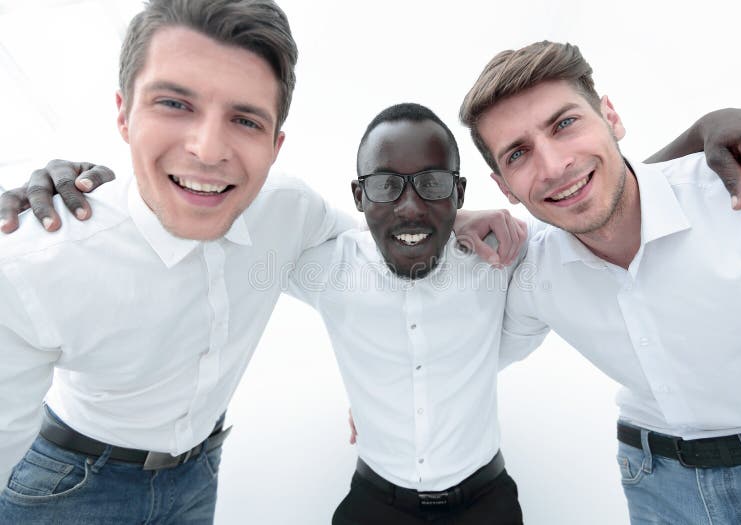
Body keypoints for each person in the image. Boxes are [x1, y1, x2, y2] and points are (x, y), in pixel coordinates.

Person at [0, 2, 523, 522]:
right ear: (123, 113)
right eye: (174, 104)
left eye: (244, 119)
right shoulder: (33, 261)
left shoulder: (289, 212)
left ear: (275, 144)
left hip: (198, 475)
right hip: (66, 484)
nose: (207, 149)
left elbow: (375, 232)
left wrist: (447, 214)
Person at [459, 40, 741, 523]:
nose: (554, 166)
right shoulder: (534, 272)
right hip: (655, 481)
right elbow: (459, 360)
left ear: (611, 118)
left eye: (564, 124)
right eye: (518, 154)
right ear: (503, 187)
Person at [288, 103, 526, 524]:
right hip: (374, 504)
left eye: (432, 183)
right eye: (385, 185)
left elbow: (584, 223)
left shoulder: (502, 255)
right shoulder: (328, 267)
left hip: (487, 504)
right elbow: (242, 226)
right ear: (359, 197)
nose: (411, 207)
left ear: (460, 192)